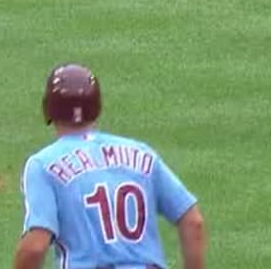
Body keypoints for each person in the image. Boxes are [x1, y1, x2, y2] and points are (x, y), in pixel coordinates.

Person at [13, 63, 207, 269]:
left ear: (49, 109)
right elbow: (193, 221)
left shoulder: (43, 165)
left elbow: (35, 247)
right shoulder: (142, 153)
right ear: (96, 107)